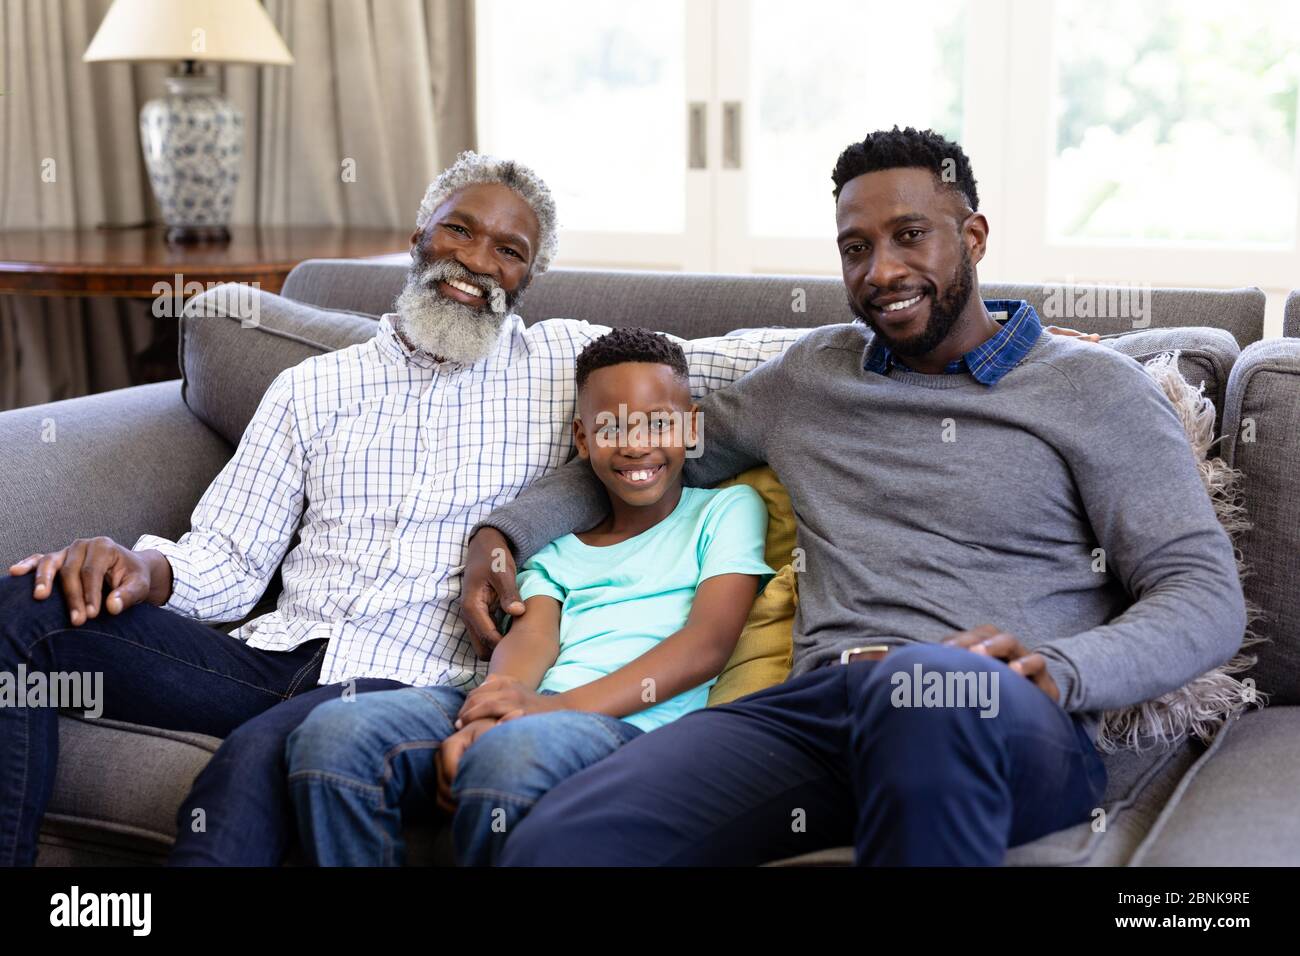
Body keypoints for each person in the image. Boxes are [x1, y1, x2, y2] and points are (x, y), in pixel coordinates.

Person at [459, 127, 1247, 866]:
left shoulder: (1093, 388)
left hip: (1000, 716)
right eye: (855, 248)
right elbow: (645, 442)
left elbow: (1202, 593)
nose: (881, 272)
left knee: (923, 699)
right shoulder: (809, 382)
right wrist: (502, 537)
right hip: (823, 710)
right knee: (559, 840)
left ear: (972, 238)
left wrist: (1055, 669)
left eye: (911, 236)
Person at [0, 152, 804, 867]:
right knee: (22, 606)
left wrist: (895, 329)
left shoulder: (568, 366)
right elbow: (232, 559)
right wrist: (145, 568)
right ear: (420, 233)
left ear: (529, 278)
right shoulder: (314, 386)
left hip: (404, 679)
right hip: (269, 656)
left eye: (510, 251)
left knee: (249, 768)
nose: (478, 261)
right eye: (460, 230)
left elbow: (753, 354)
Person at [284, 329, 772, 865]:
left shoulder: (724, 511)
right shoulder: (557, 544)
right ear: (582, 440)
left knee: (510, 759)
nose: (636, 443)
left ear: (693, 428)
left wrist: (547, 710)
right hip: (528, 709)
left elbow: (707, 644)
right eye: (612, 426)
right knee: (333, 734)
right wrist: (493, 709)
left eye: (659, 422)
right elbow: (533, 633)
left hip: (625, 727)